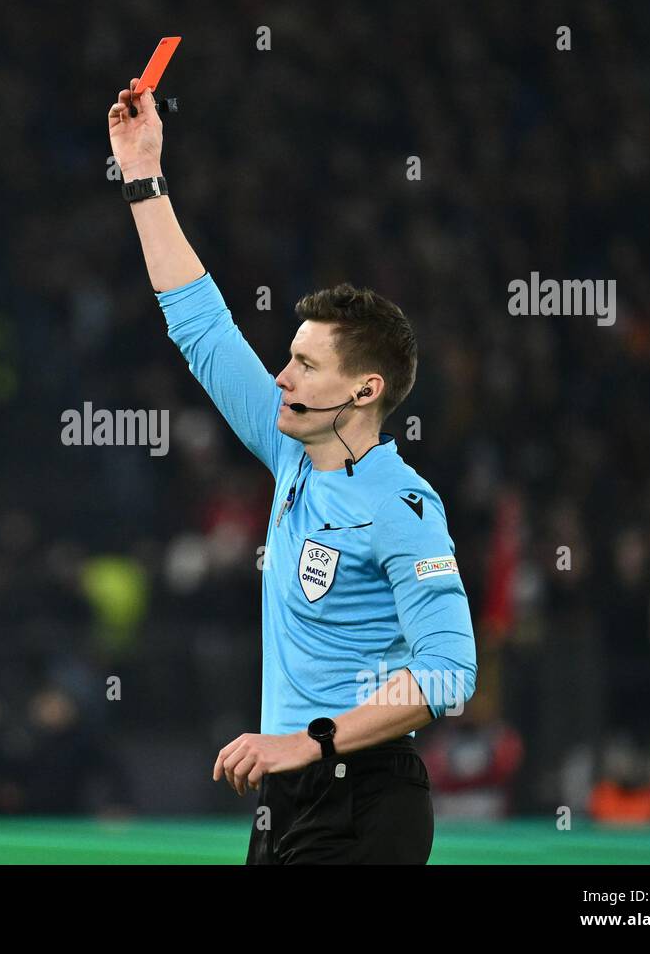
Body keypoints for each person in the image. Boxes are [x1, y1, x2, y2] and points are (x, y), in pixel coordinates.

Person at [108, 79, 478, 863]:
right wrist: (143, 176)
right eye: (287, 357)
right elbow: (199, 321)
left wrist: (306, 742)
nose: (281, 377)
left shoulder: (405, 507)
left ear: (364, 390)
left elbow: (449, 673)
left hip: (364, 803)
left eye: (305, 365)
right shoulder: (292, 453)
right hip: (287, 799)